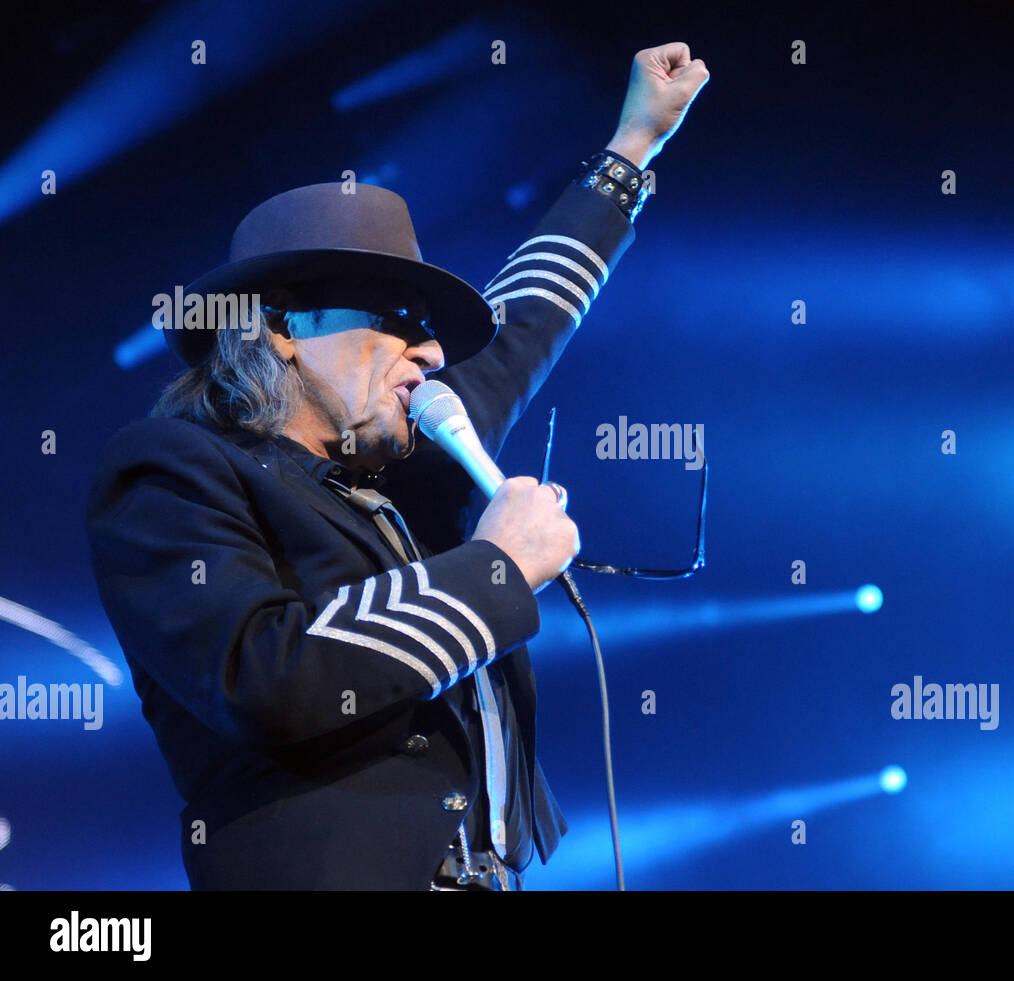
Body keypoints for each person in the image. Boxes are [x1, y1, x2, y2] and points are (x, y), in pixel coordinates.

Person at [85, 43, 708, 890]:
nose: (431, 350)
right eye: (399, 319)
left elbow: (522, 327)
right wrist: (495, 570)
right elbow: (263, 673)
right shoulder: (171, 472)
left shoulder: (400, 478)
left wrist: (631, 149)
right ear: (283, 329)